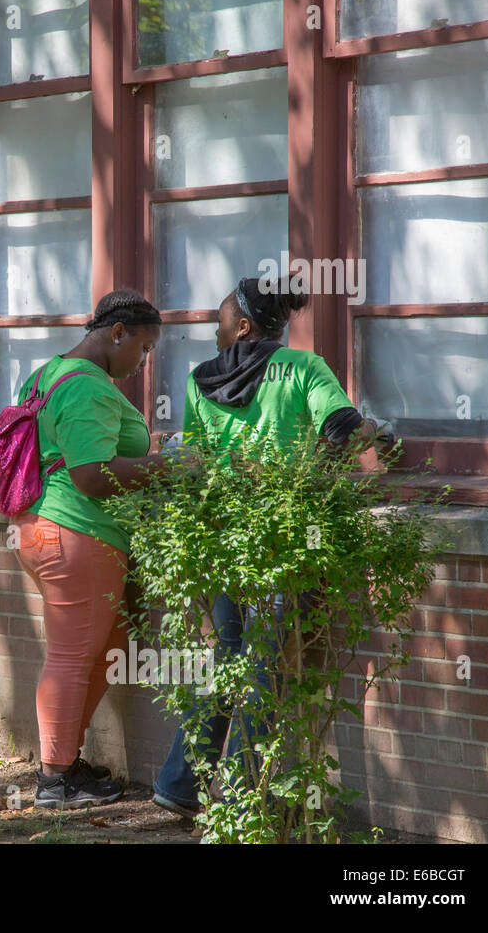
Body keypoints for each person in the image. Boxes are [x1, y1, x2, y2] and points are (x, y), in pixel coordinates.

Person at [151, 276, 392, 821]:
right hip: (285, 542)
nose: (214, 331)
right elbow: (344, 434)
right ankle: (240, 798)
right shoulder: (303, 369)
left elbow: (196, 462)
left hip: (225, 541)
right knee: (264, 666)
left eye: (219, 321)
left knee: (228, 658)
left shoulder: (198, 382)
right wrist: (378, 429)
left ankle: (180, 784)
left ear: (242, 326)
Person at [14, 289, 180, 810]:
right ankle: (54, 781)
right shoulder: (87, 388)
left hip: (44, 529)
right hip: (76, 532)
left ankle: (62, 761)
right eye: (144, 347)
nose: (143, 359)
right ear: (116, 333)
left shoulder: (46, 373)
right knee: (70, 657)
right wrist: (175, 467)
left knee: (111, 648)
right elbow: (90, 475)